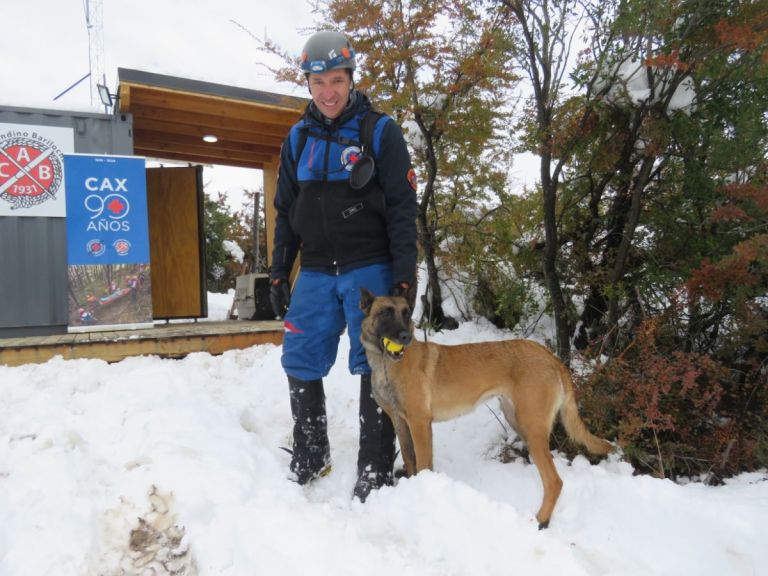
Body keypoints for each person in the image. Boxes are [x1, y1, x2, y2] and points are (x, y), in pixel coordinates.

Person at [269, 30, 418, 502]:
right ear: (308, 84)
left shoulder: (380, 131)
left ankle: (374, 469)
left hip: (368, 267)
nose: (328, 91)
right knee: (299, 356)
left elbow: (401, 206)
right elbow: (285, 211)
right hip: (314, 269)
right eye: (318, 82)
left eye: (337, 79)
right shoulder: (297, 140)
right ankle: (311, 453)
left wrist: (404, 274)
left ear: (351, 79)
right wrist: (278, 270)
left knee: (376, 362)